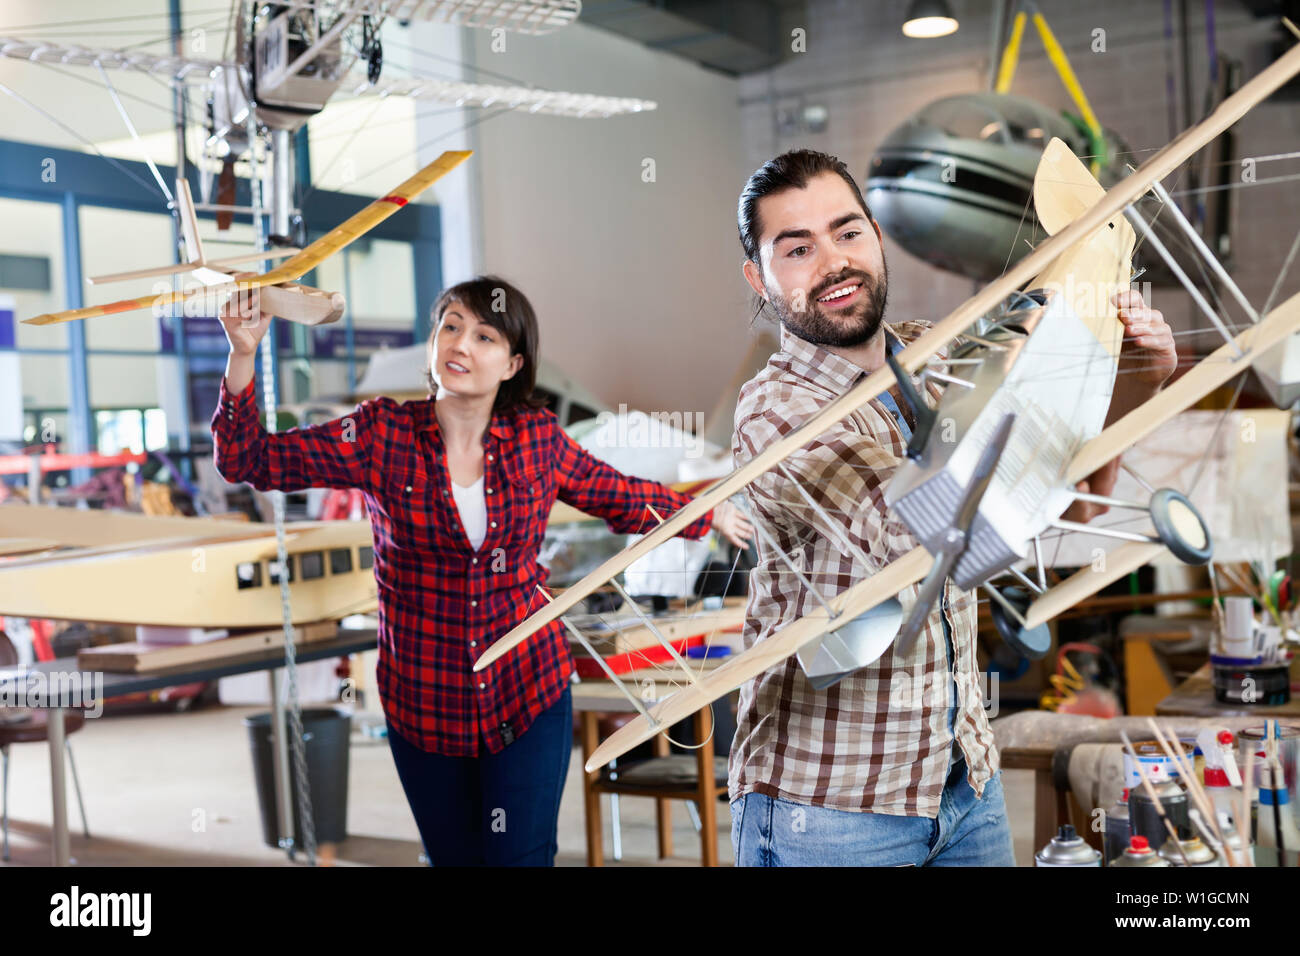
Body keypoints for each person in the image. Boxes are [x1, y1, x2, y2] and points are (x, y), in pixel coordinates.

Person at [726, 149, 1176, 866]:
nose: (834, 262)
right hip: (832, 805)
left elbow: (1066, 507)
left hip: (964, 782)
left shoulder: (932, 357)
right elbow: (918, 526)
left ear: (876, 234)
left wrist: (1133, 381)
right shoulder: (775, 408)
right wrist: (1026, 347)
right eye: (798, 248)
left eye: (847, 233)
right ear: (759, 277)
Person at [213, 274, 753, 865]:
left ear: (513, 363)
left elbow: (618, 494)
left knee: (520, 857)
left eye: (485, 335)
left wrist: (707, 511)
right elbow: (248, 458)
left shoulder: (537, 439)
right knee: (457, 859)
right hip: (424, 697)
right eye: (450, 327)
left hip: (528, 690)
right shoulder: (378, 433)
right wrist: (243, 353)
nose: (461, 344)